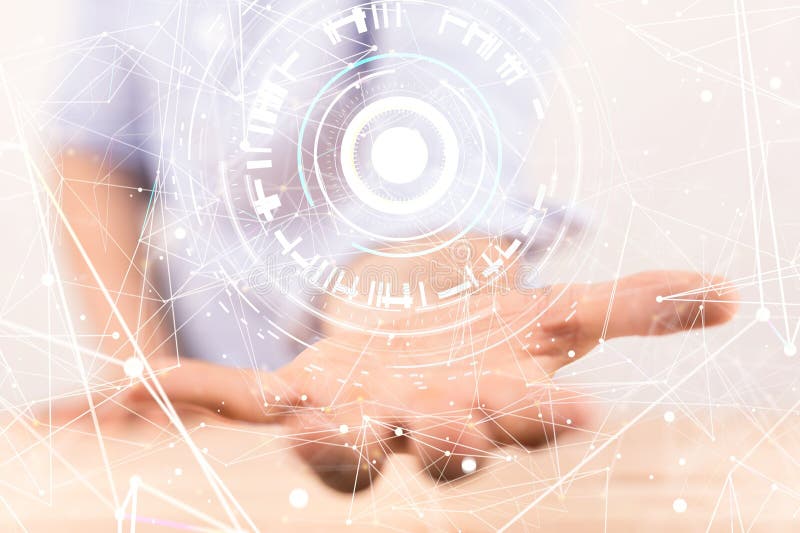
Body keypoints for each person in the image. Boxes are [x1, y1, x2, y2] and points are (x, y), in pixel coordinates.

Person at [52, 0, 738, 491]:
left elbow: (446, 119)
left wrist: (420, 288)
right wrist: (138, 372)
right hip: (197, 430)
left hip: (409, 433)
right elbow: (92, 151)